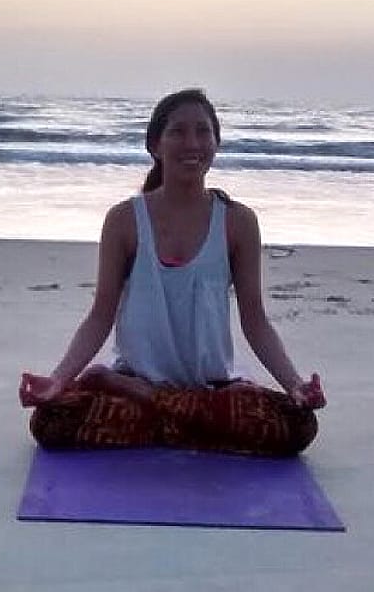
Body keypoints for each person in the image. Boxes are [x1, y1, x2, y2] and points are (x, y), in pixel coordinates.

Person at [19, 89, 324, 456]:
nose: (191, 143)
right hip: (138, 381)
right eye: (178, 131)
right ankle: (186, 422)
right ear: (155, 145)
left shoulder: (238, 222)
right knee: (50, 423)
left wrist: (294, 386)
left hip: (207, 389)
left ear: (216, 143)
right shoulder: (124, 220)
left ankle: (154, 411)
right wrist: (57, 381)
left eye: (202, 131)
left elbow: (255, 321)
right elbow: (100, 317)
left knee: (299, 426)